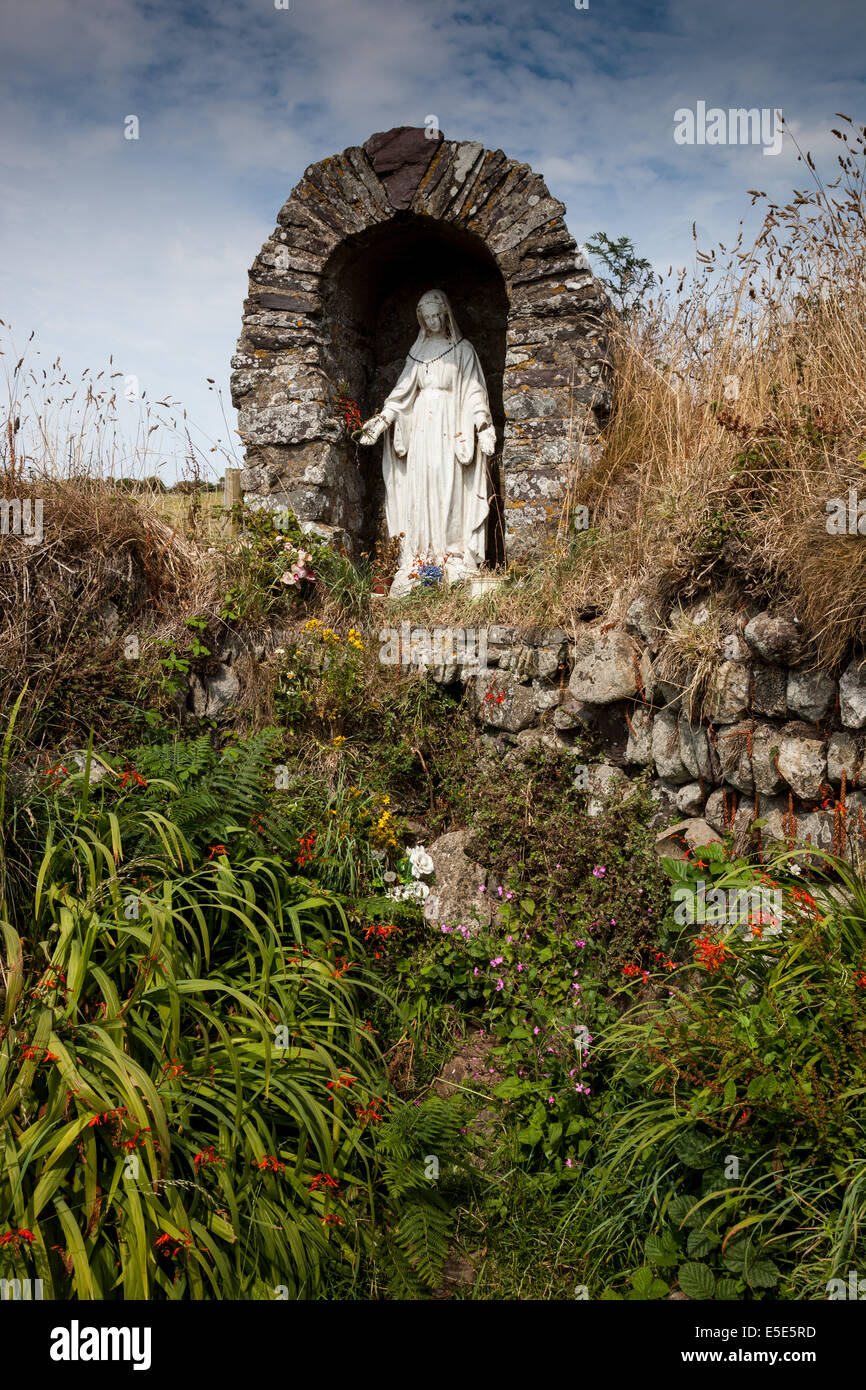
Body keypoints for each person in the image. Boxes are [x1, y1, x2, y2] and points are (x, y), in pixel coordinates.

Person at [359, 289, 496, 594]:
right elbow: (402, 393)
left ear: (446, 314)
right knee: (422, 489)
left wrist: (483, 424)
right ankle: (423, 561)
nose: (433, 321)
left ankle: (453, 556)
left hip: (451, 424)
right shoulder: (417, 353)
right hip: (422, 428)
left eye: (437, 315)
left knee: (449, 487)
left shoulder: (462, 350)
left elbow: (474, 391)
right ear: (421, 319)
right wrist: (382, 422)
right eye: (427, 317)